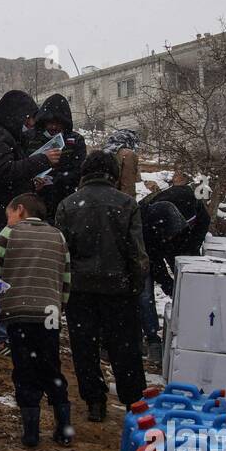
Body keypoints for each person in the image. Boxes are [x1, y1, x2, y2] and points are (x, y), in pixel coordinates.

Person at [55, 151, 149, 420]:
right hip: (118, 289)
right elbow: (136, 253)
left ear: (85, 173)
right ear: (114, 174)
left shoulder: (68, 205)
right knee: (125, 348)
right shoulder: (127, 204)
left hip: (80, 289)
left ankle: (95, 402)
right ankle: (134, 402)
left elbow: (63, 253)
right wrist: (135, 285)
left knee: (85, 348)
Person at [0, 89, 61, 353]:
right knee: (5, 276)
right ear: (18, 115)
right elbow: (4, 172)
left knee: (8, 274)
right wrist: (40, 161)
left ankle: (3, 334)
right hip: (2, 216)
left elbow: (6, 174)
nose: (31, 124)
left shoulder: (4, 135)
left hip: (6, 213)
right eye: (30, 118)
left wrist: (31, 181)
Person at [0, 193, 72, 448]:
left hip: (18, 313)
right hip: (49, 313)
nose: (9, 220)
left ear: (21, 210)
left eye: (10, 214)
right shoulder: (58, 236)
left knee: (24, 369)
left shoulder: (8, 234)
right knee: (51, 366)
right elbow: (66, 278)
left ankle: (31, 432)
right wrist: (60, 307)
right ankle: (64, 428)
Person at [138, 182, 211, 356]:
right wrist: (167, 283)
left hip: (183, 241)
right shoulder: (145, 225)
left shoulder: (189, 203)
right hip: (151, 244)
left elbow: (204, 221)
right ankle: (151, 337)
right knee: (145, 291)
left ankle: (193, 327)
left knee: (189, 282)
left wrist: (191, 251)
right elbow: (153, 261)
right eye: (168, 236)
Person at [31, 93, 87, 220]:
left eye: (58, 123)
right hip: (35, 202)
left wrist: (56, 179)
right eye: (50, 122)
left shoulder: (76, 140)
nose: (54, 127)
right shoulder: (30, 139)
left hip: (65, 200)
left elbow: (80, 171)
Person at [102, 128, 142, 197]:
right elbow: (127, 185)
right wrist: (129, 204)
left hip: (94, 197)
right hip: (114, 198)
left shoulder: (101, 152)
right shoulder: (128, 154)